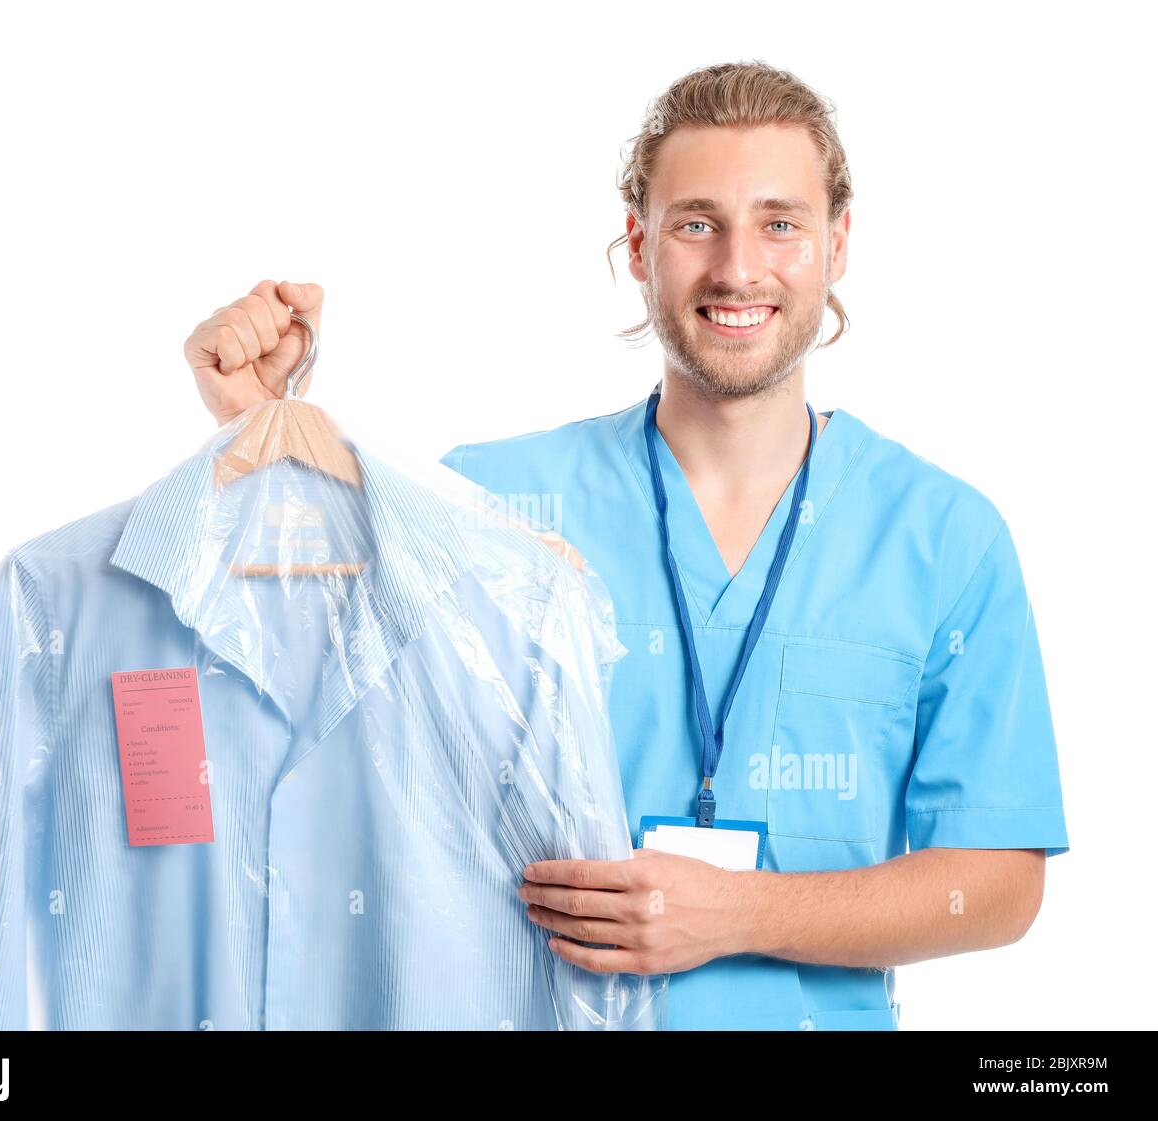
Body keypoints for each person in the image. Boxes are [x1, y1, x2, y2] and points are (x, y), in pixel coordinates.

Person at [181, 61, 1068, 1031]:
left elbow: (995, 881)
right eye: (696, 222)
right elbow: (304, 709)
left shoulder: (943, 536)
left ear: (836, 243)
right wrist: (260, 428)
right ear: (638, 243)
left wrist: (741, 913)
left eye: (779, 222)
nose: (737, 267)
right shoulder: (488, 501)